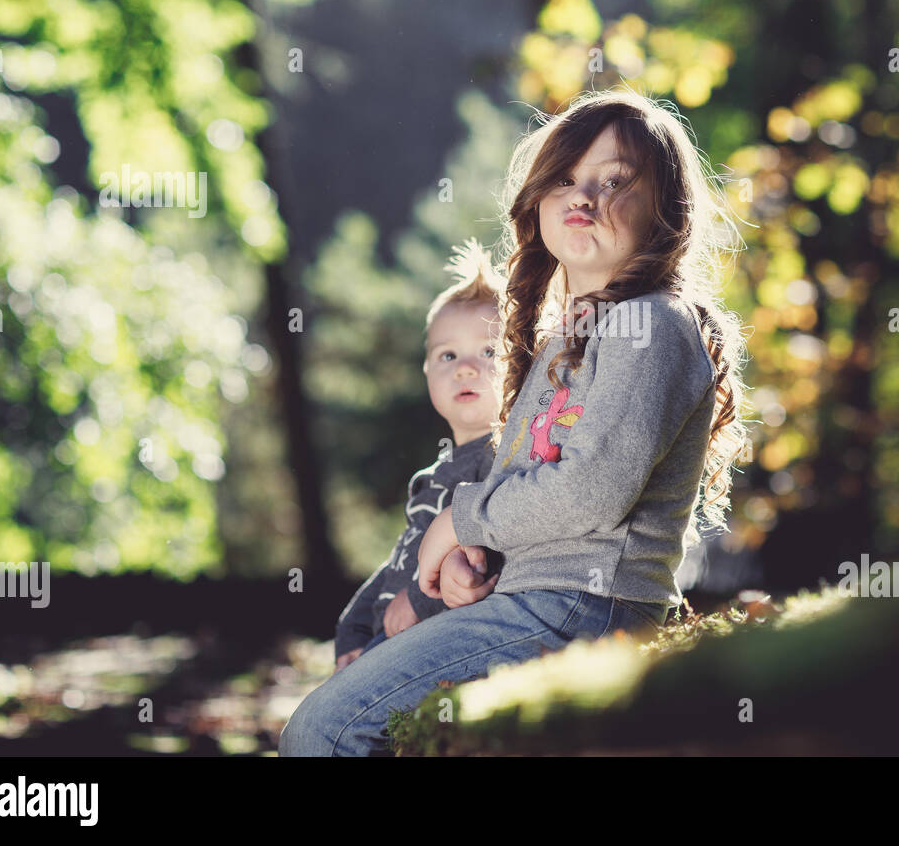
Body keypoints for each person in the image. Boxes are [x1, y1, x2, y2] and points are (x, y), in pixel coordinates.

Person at [279, 87, 749, 756]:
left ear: (666, 212)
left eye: (614, 182)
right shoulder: (570, 336)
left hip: (587, 604)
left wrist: (458, 522)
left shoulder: (652, 324)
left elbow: (589, 493)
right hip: (536, 596)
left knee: (323, 732)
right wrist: (469, 564)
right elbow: (527, 482)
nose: (584, 198)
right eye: (566, 179)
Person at [333, 239, 506, 671]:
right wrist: (350, 635)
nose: (465, 367)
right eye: (447, 355)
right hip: (385, 643)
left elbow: (480, 564)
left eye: (488, 351)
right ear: (427, 371)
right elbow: (400, 559)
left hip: (436, 644)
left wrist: (418, 601)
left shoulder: (502, 460)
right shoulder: (436, 474)